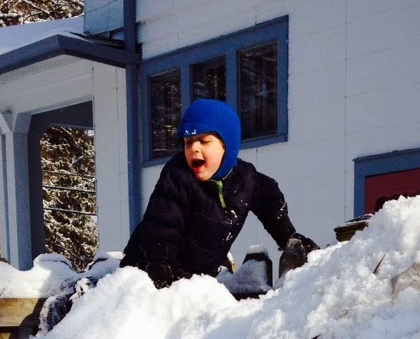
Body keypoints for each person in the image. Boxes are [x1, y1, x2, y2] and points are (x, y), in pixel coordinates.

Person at [120, 98, 317, 291]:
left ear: (227, 145)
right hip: (146, 274)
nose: (194, 148)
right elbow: (160, 229)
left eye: (204, 141)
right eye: (188, 143)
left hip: (194, 281)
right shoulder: (178, 178)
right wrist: (160, 268)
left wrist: (288, 237)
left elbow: (270, 201)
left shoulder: (245, 179)